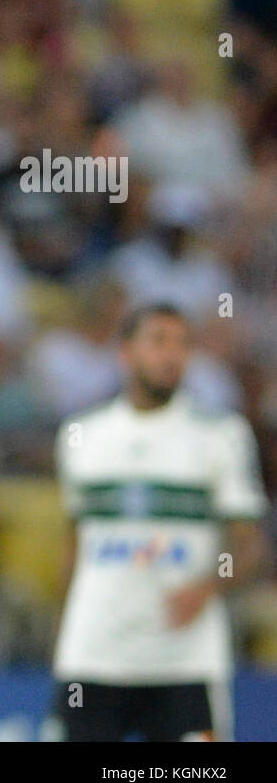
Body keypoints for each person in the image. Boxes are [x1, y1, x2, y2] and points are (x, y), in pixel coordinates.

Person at [47, 303, 269, 741]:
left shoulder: (220, 436)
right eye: (158, 341)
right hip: (95, 653)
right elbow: (75, 541)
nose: (171, 356)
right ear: (125, 353)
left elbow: (248, 541)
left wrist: (206, 587)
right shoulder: (82, 436)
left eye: (182, 344)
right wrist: (64, 626)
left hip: (185, 658)